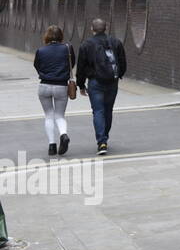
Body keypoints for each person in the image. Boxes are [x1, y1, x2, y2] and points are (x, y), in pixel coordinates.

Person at [77, 18, 126, 156]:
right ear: (106, 28)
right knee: (108, 110)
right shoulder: (116, 42)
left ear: (92, 29)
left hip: (95, 82)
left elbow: (81, 67)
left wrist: (81, 85)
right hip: (112, 82)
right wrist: (118, 75)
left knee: (98, 111)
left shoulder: (86, 45)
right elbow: (122, 61)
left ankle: (101, 141)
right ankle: (105, 137)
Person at [33, 25, 74, 158]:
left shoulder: (40, 50)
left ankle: (52, 146)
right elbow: (71, 63)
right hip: (61, 86)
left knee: (49, 115)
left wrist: (45, 73)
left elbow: (36, 66)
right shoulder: (67, 48)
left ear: (47, 36)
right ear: (61, 36)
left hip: (44, 85)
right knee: (60, 115)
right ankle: (63, 134)